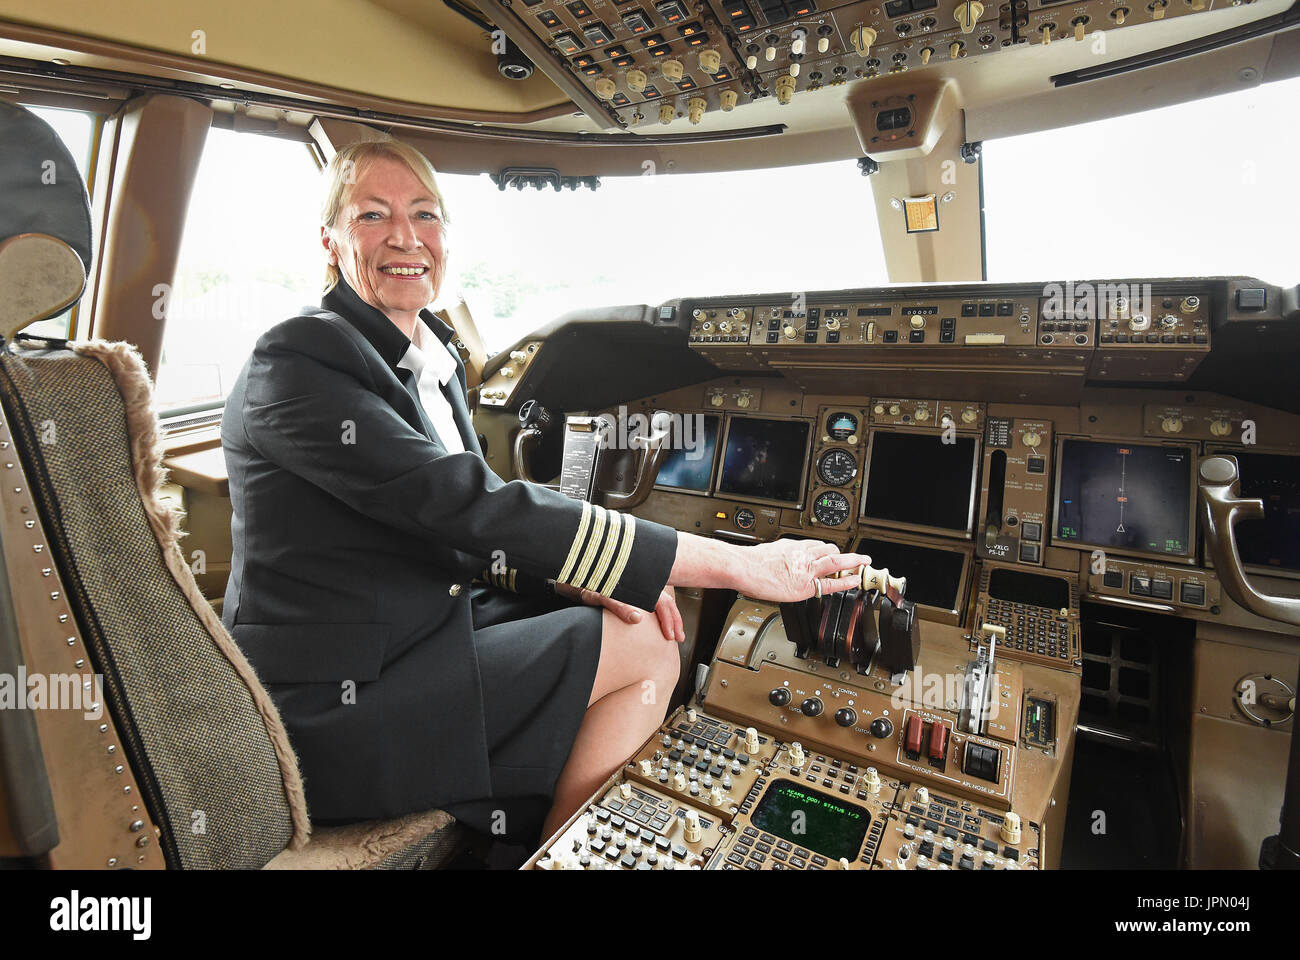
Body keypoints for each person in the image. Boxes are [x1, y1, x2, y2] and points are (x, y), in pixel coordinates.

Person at [221, 138, 872, 847]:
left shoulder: (421, 360)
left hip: (420, 639)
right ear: (331, 239)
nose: (406, 237)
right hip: (326, 708)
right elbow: (467, 503)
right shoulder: (297, 362)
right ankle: (569, 851)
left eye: (425, 214)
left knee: (634, 616)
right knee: (650, 649)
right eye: (373, 216)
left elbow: (458, 539)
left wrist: (578, 579)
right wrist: (739, 563)